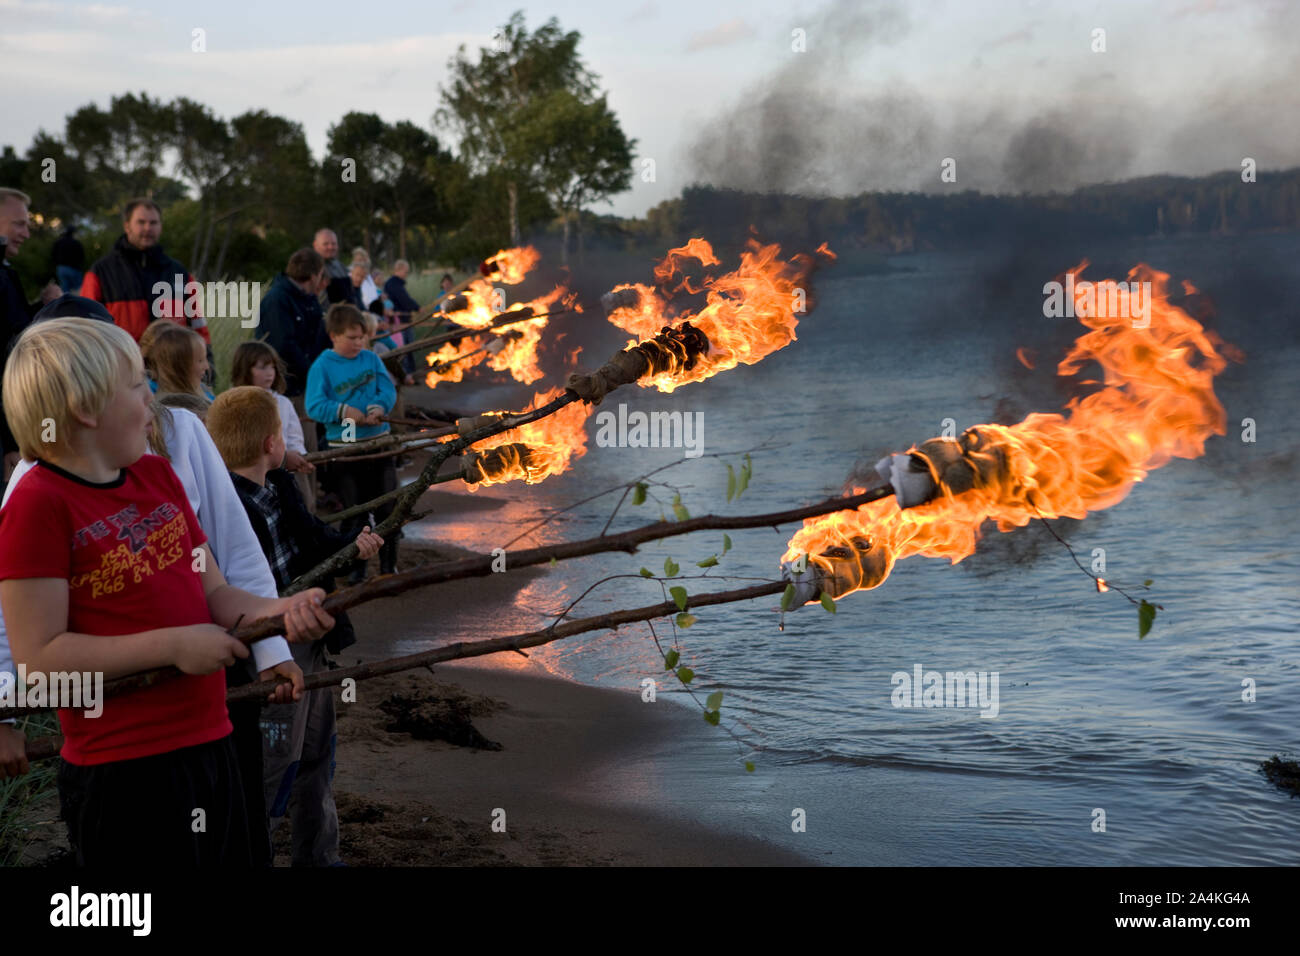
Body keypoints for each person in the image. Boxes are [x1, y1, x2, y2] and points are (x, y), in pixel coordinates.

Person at [0, 318, 332, 865]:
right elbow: (42, 662)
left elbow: (218, 593)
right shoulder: (38, 504)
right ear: (86, 410)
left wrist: (280, 610)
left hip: (209, 741)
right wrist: (175, 645)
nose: (151, 399)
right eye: (136, 385)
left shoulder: (158, 477)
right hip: (123, 770)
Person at [206, 386, 382, 866]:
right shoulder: (224, 506)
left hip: (310, 638)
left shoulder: (281, 484)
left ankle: (320, 855)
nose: (286, 441)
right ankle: (252, 850)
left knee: (319, 749)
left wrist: (353, 544)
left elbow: (313, 538)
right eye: (282, 432)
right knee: (273, 761)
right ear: (270, 443)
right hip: (266, 650)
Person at [305, 304, 399, 581]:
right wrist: (344, 412)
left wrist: (379, 407)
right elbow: (314, 406)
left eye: (362, 337)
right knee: (355, 511)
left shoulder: (371, 359)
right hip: (344, 448)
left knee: (388, 507)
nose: (359, 343)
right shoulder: (322, 366)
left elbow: (387, 390)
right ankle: (355, 568)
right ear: (334, 335)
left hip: (379, 443)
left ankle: (388, 566)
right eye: (352, 337)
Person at [80, 198, 211, 346]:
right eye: (141, 222)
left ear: (161, 227)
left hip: (171, 366)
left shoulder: (179, 273)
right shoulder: (101, 272)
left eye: (153, 223)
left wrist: (208, 364)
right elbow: (86, 327)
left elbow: (198, 326)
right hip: (123, 364)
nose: (148, 228)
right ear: (127, 226)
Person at [0, 188, 60, 479]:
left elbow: (14, 328)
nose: (26, 233)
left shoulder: (5, 269)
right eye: (19, 224)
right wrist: (10, 442)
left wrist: (41, 305)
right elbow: (7, 356)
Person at [230, 340, 315, 500]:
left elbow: (294, 435)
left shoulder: (283, 402)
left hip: (287, 471)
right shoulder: (234, 404)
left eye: (272, 367)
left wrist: (297, 455)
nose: (270, 373)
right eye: (262, 367)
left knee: (304, 502)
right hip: (251, 474)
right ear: (244, 369)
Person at [140, 319, 213, 402]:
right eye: (200, 360)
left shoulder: (198, 388)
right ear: (177, 365)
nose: (207, 366)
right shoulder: (158, 401)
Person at [312, 229, 351, 307]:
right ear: (315, 245)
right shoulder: (311, 268)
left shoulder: (342, 267)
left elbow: (351, 295)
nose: (330, 247)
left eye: (334, 244)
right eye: (325, 244)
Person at [51, 225, 85, 293]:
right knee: (78, 290)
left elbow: (53, 255)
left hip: (61, 268)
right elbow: (81, 256)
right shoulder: (76, 243)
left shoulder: (58, 242)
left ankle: (67, 303)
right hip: (74, 269)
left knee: (65, 290)